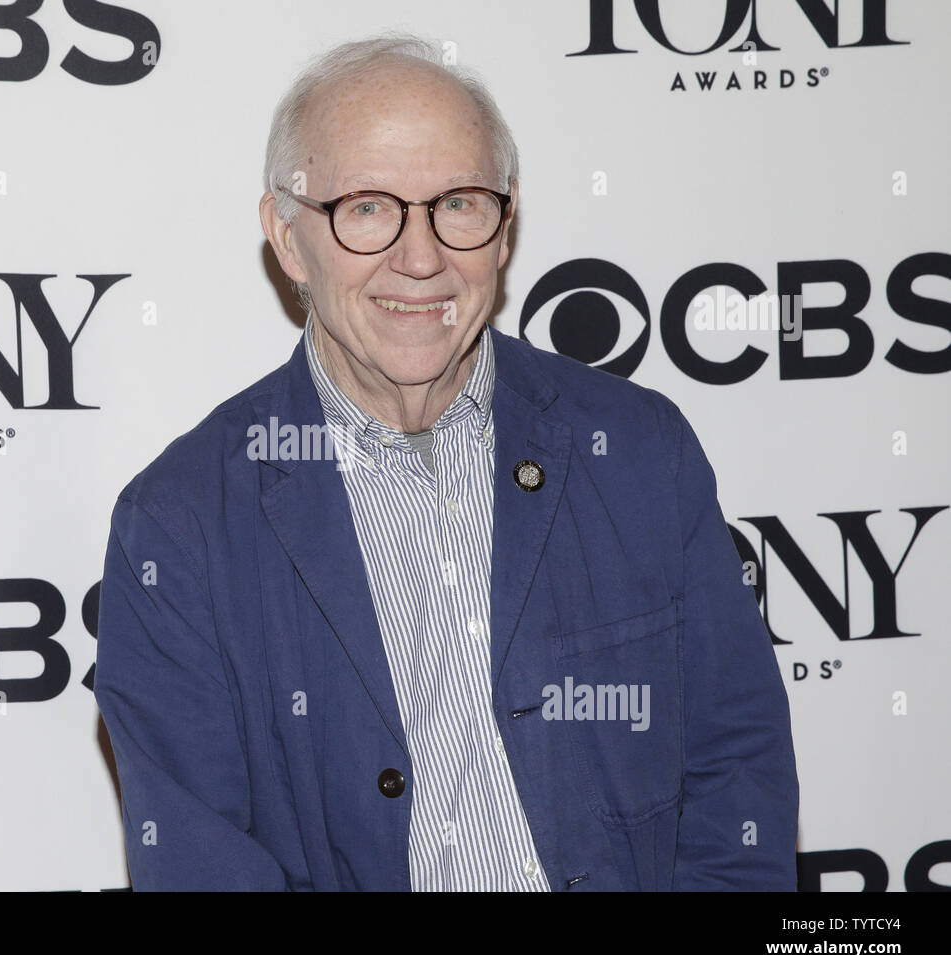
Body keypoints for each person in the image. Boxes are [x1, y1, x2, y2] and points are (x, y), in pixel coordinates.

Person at [93, 33, 799, 891]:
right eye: (366, 207)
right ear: (287, 238)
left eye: (459, 203)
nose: (421, 258)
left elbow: (737, 772)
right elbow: (203, 865)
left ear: (504, 230)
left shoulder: (643, 451)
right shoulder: (178, 526)